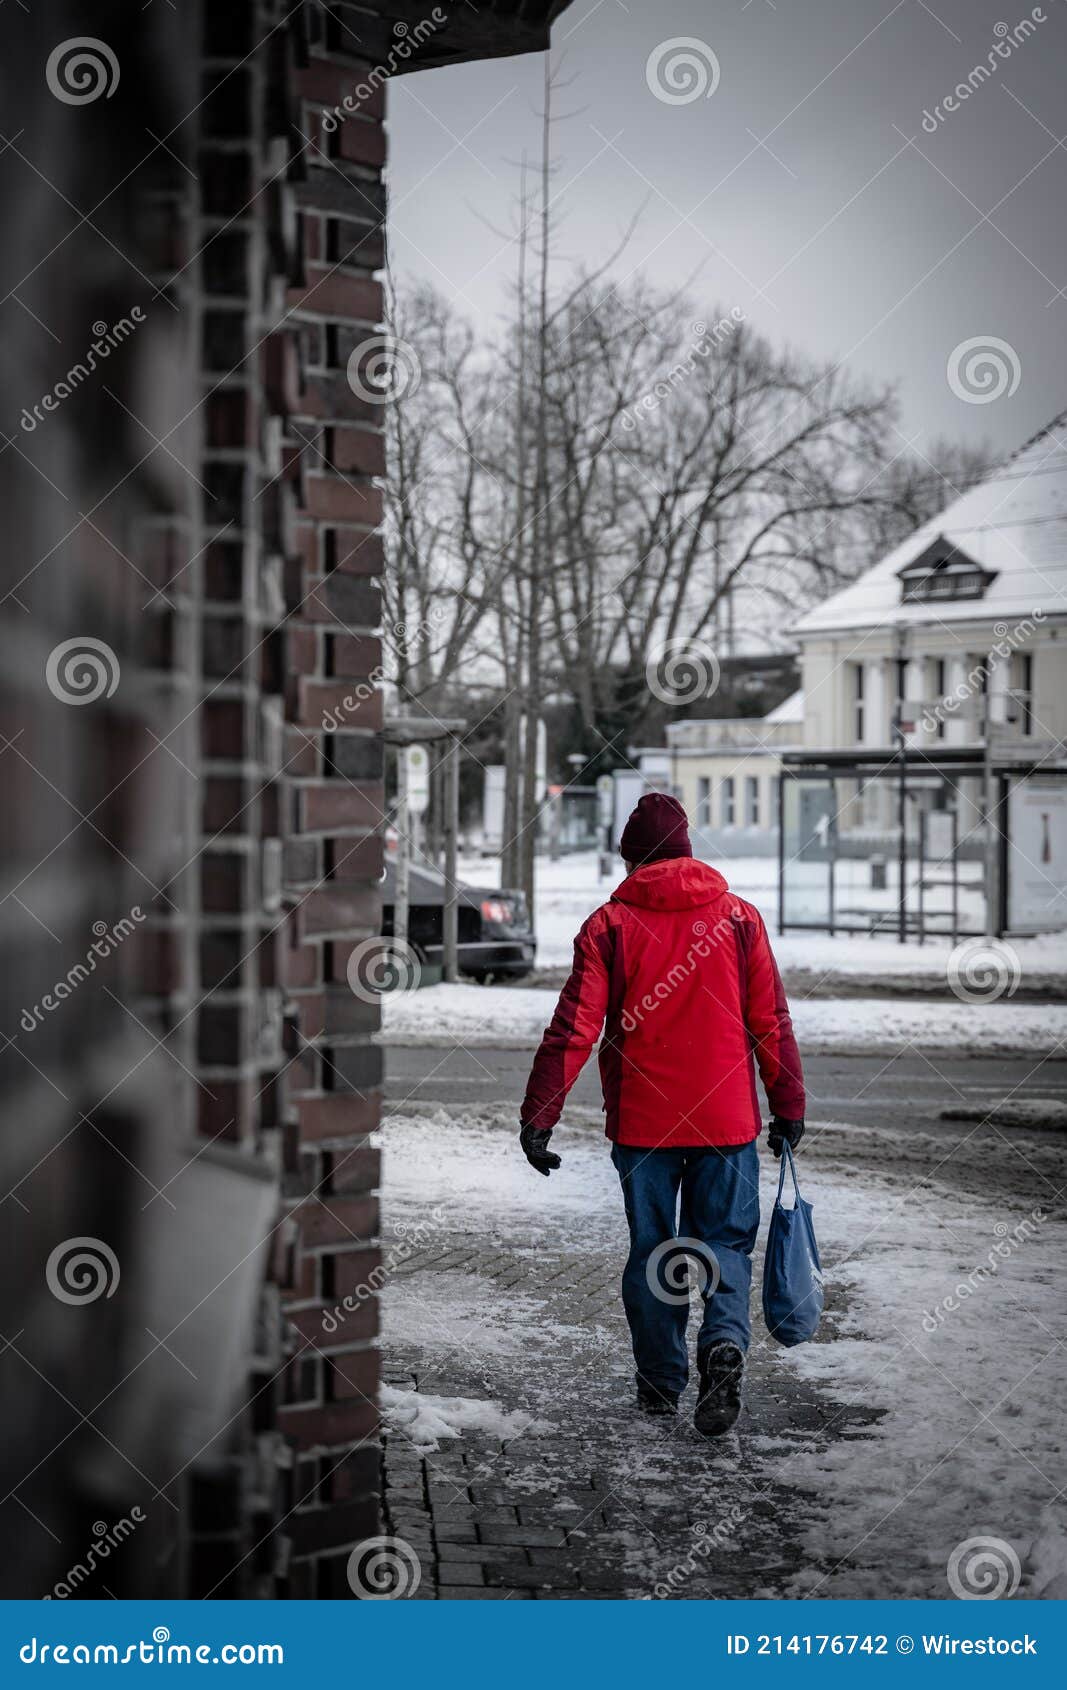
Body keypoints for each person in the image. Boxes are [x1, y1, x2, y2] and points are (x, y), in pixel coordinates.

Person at [518, 791, 805, 1437]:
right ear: (685, 848)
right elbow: (770, 1022)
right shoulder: (738, 918)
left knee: (654, 1250)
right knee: (723, 1243)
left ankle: (658, 1385)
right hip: (726, 1124)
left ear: (629, 858)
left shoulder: (608, 925)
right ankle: (723, 1348)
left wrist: (539, 1116)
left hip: (643, 1127)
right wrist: (787, 1105)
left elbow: (573, 1030)